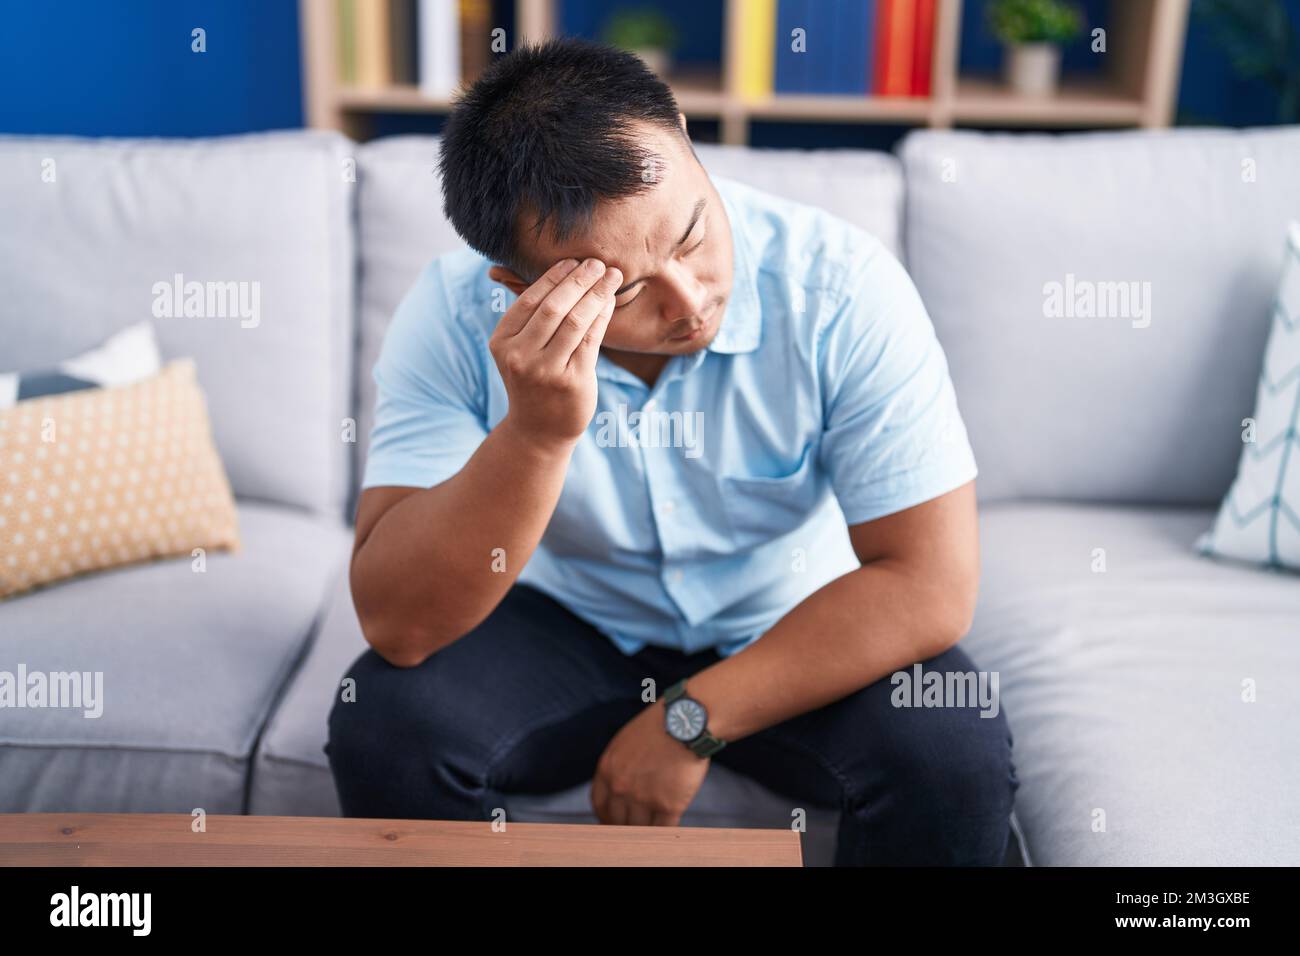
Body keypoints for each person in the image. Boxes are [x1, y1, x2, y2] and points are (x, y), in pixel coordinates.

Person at [326, 36, 1018, 866]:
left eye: (691, 236)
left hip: (789, 618)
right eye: (623, 291)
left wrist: (687, 721)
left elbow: (930, 586)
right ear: (517, 288)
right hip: (567, 620)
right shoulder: (449, 317)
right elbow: (398, 624)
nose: (691, 304)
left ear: (684, 136)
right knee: (385, 727)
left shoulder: (842, 288)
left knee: (952, 757)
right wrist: (537, 434)